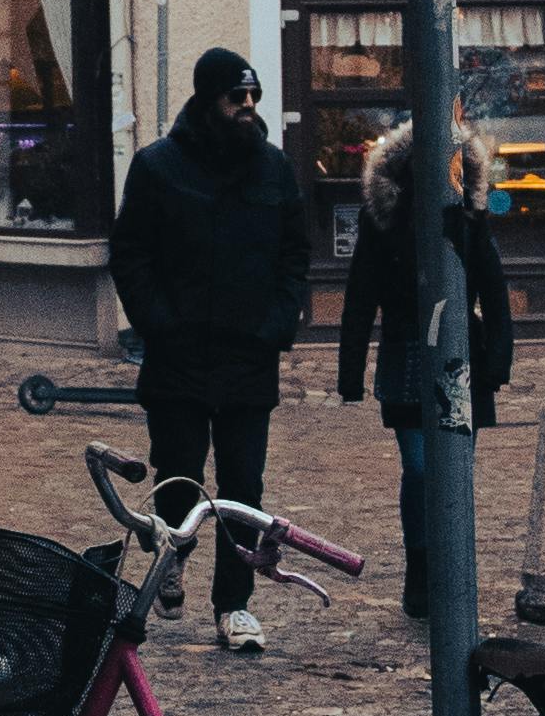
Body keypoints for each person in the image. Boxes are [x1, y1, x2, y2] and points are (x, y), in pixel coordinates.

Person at [107, 48, 310, 647]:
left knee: (244, 489)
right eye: (235, 98)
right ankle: (169, 558)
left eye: (253, 97)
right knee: (179, 475)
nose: (247, 107)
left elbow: (295, 256)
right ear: (207, 100)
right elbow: (130, 254)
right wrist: (158, 324)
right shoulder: (158, 167)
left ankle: (234, 606)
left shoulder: (274, 169)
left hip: (249, 358)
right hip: (180, 357)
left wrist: (277, 323)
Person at [334, 119, 521, 618]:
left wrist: (498, 363)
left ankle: (455, 569)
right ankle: (421, 571)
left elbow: (495, 291)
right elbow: (359, 298)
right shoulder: (385, 220)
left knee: (455, 470)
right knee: (419, 469)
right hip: (406, 356)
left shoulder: (470, 218)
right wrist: (348, 373)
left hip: (462, 360)